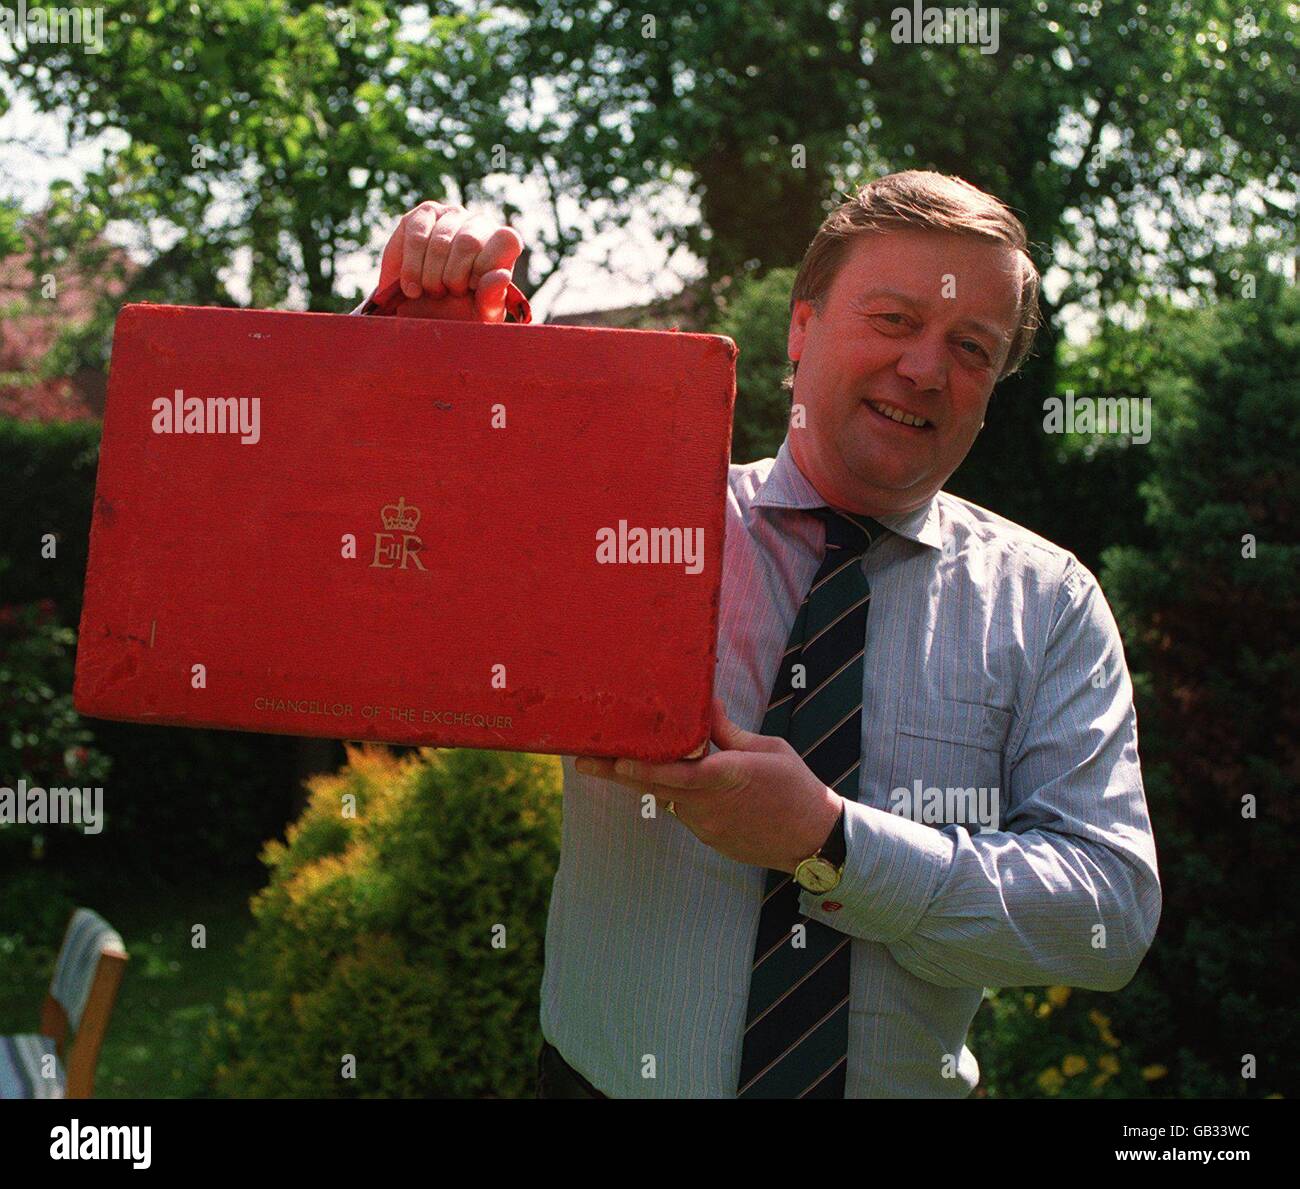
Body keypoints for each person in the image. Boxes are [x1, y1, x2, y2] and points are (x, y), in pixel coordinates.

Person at [362, 171, 1161, 1099]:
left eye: (971, 347)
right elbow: (404, 571)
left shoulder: (1049, 605)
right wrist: (420, 330)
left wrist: (832, 841)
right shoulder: (629, 530)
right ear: (801, 327)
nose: (926, 369)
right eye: (896, 320)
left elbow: (1109, 911)